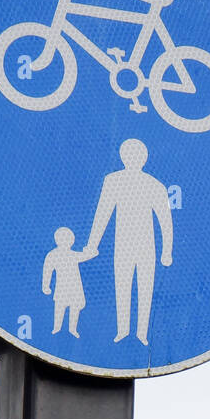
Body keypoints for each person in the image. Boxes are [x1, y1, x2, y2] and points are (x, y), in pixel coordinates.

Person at [82, 138, 173, 345]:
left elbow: (165, 221)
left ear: (144, 158)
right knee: (122, 286)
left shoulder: (154, 184)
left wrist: (166, 251)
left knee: (145, 288)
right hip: (122, 245)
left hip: (146, 246)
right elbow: (102, 214)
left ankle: (142, 333)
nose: (133, 159)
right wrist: (92, 244)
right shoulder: (113, 181)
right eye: (129, 154)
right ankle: (122, 330)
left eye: (137, 155)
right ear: (123, 157)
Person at [42, 227, 93, 336]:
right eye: (65, 239)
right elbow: (47, 271)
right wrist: (45, 286)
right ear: (57, 240)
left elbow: (84, 256)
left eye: (70, 239)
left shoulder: (72, 254)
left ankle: (73, 329)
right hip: (62, 287)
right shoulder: (52, 255)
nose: (69, 241)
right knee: (60, 307)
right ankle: (56, 328)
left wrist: (92, 252)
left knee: (75, 307)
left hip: (75, 287)